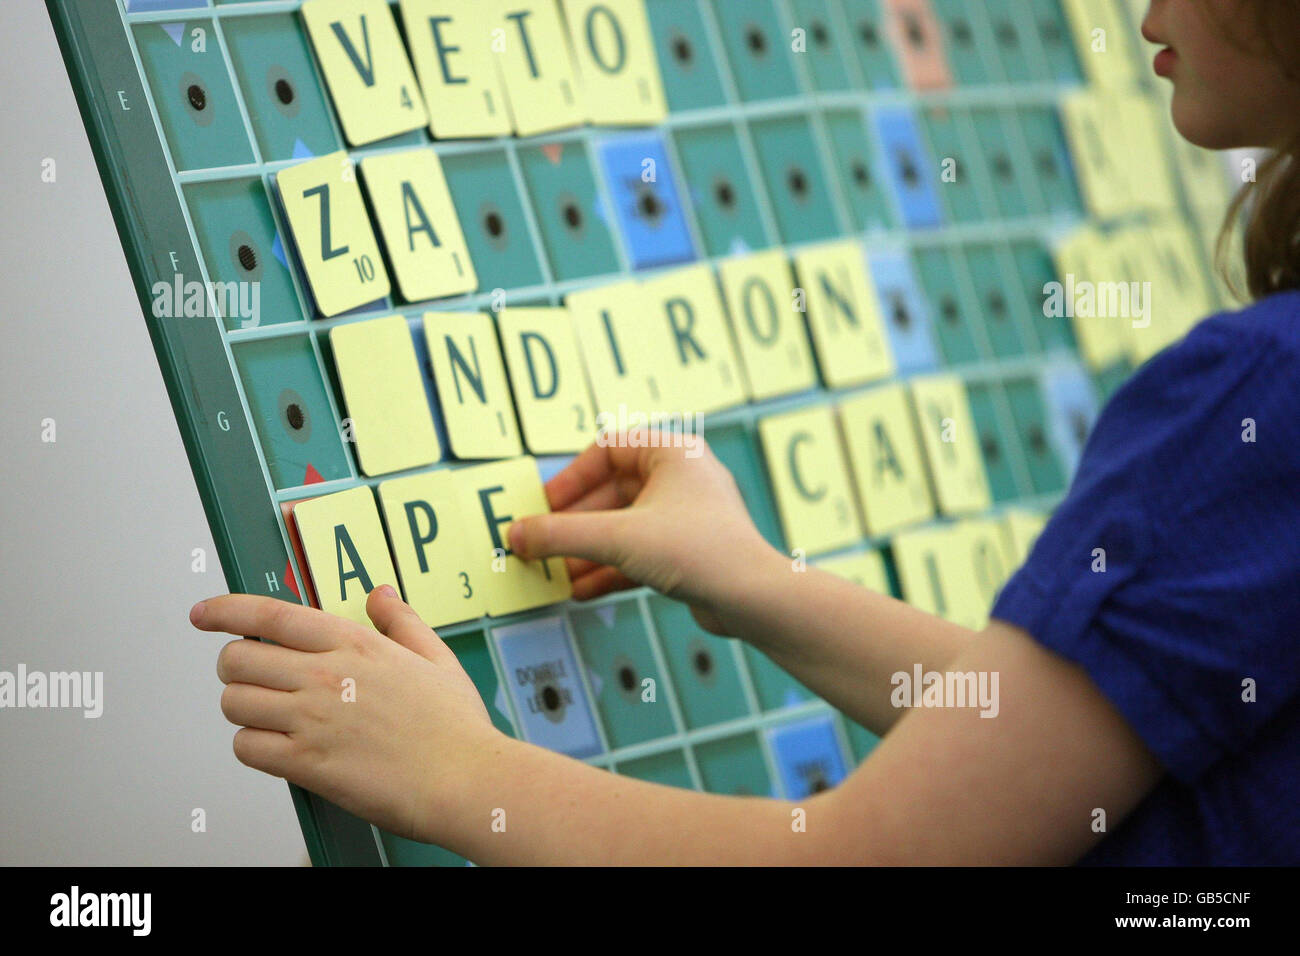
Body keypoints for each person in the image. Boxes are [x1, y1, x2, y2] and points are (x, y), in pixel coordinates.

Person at [190, 0, 1300, 865]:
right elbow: (1069, 747)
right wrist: (760, 585)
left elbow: (884, 857)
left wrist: (453, 770)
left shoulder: (1258, 387)